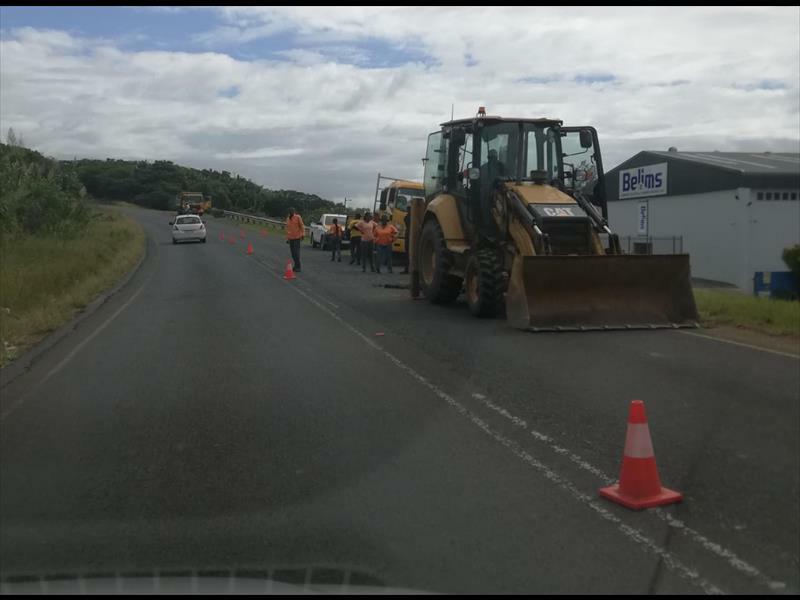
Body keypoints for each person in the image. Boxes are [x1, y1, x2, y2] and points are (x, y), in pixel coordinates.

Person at [285, 207, 305, 272]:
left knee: (296, 253)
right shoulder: (288, 219)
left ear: (294, 212)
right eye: (290, 211)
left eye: (292, 211)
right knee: (293, 253)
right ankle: (296, 265)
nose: (291, 212)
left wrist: (303, 234)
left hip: (297, 237)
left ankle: (298, 266)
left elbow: (302, 226)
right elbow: (288, 229)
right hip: (291, 238)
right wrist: (288, 238)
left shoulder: (298, 217)